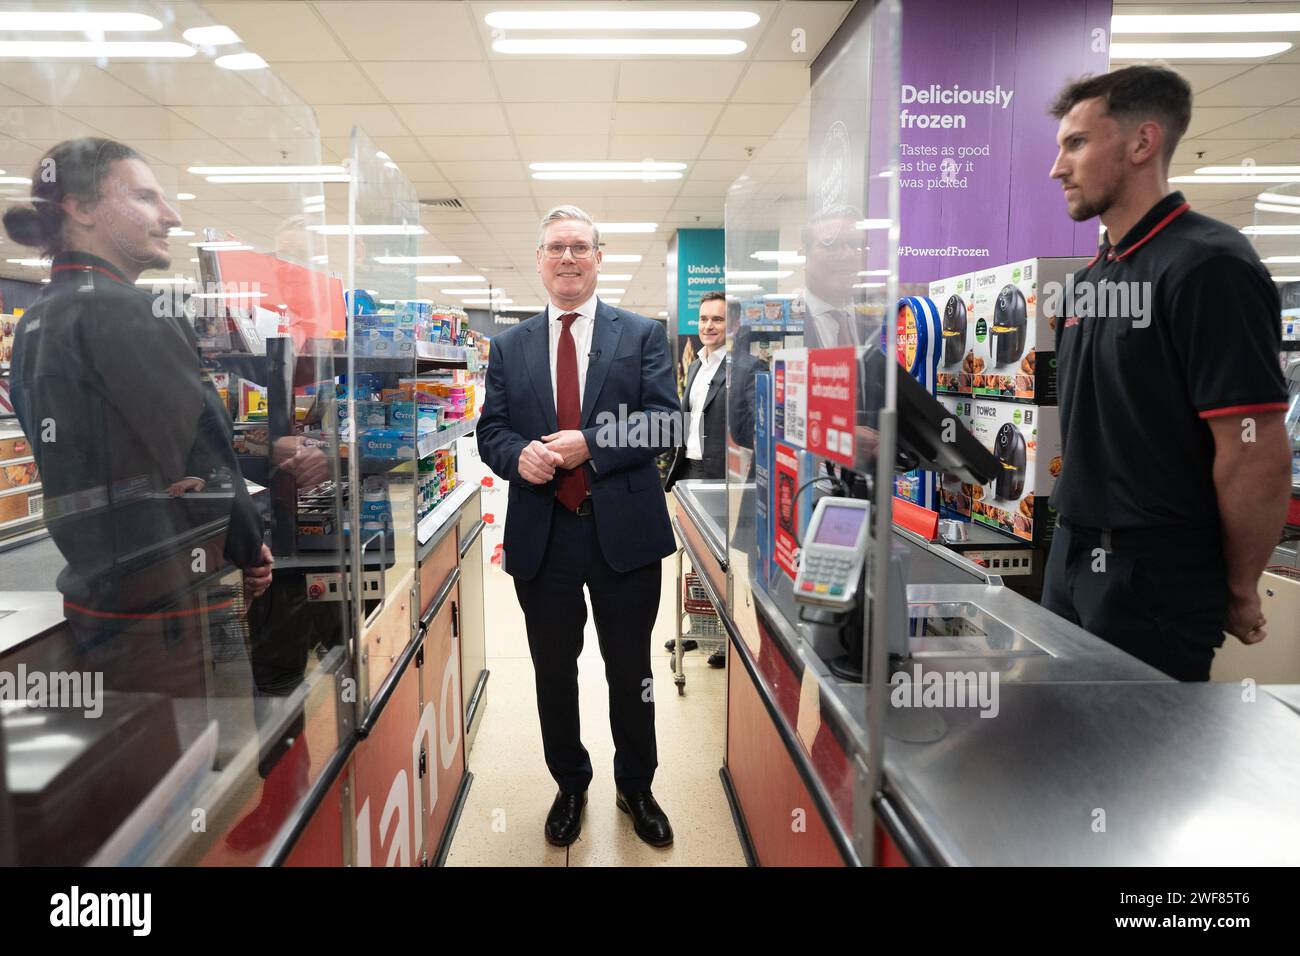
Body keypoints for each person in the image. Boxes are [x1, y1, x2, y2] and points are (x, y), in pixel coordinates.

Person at [1044, 65, 1292, 681]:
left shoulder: (1210, 266)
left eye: (1076, 143)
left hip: (1152, 573)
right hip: (1070, 551)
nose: (1057, 168)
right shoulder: (1090, 282)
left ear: (1141, 143)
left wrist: (1238, 585)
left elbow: (1253, 450)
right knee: (1058, 751)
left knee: (1137, 767)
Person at [5, 138, 274, 698]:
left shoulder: (39, 317)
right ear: (80, 208)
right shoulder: (131, 310)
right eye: (147, 198)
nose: (171, 216)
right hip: (171, 602)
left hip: (98, 595)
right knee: (207, 769)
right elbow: (206, 455)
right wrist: (251, 548)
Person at [476, 205, 682, 848]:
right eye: (555, 248)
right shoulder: (510, 347)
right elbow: (491, 432)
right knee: (552, 671)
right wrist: (520, 457)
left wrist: (589, 444)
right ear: (539, 260)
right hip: (546, 535)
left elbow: (665, 425)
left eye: (579, 247)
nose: (567, 258)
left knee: (632, 669)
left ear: (599, 258)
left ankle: (637, 785)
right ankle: (570, 783)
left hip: (622, 533)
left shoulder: (644, 334)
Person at [664, 291, 766, 667]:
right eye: (704, 319)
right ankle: (701, 628)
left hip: (725, 477)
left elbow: (757, 429)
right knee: (695, 555)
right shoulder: (695, 366)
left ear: (733, 325)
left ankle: (728, 636)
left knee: (727, 559)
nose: (708, 326)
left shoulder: (749, 368)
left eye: (718, 320)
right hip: (690, 472)